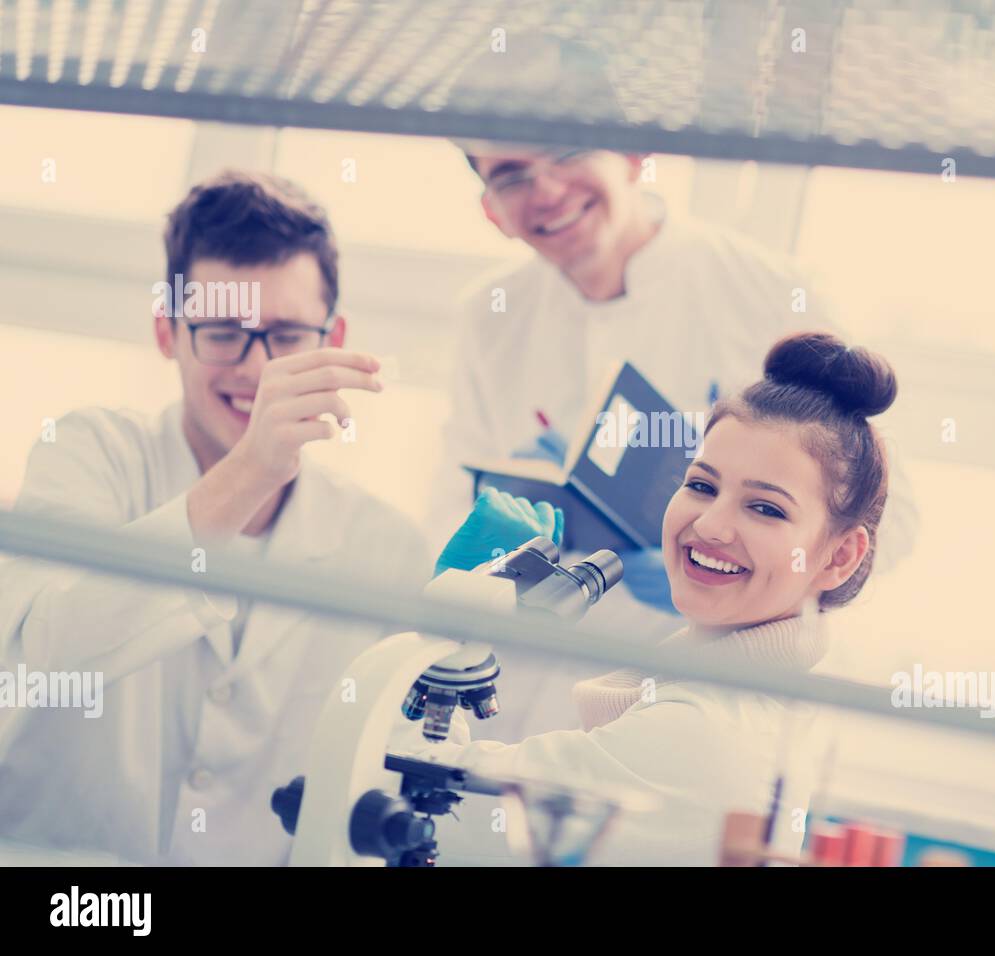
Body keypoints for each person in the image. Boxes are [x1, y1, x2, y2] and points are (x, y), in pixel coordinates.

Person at [431, 36, 915, 745]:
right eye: (511, 175)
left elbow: (884, 520)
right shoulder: (489, 317)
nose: (547, 192)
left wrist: (739, 562)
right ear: (490, 211)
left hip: (700, 706)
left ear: (633, 153)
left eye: (566, 151)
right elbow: (452, 498)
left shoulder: (768, 290)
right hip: (525, 700)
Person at [0, 171, 431, 865]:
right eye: (225, 332)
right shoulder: (92, 453)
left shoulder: (385, 549)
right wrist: (250, 471)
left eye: (288, 335)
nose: (258, 370)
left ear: (334, 336)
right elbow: (46, 651)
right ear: (168, 331)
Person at [417, 332, 896, 865]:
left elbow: (420, 809)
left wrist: (448, 618)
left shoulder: (697, 731)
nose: (710, 525)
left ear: (839, 557)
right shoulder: (749, 703)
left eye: (766, 509)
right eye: (701, 485)